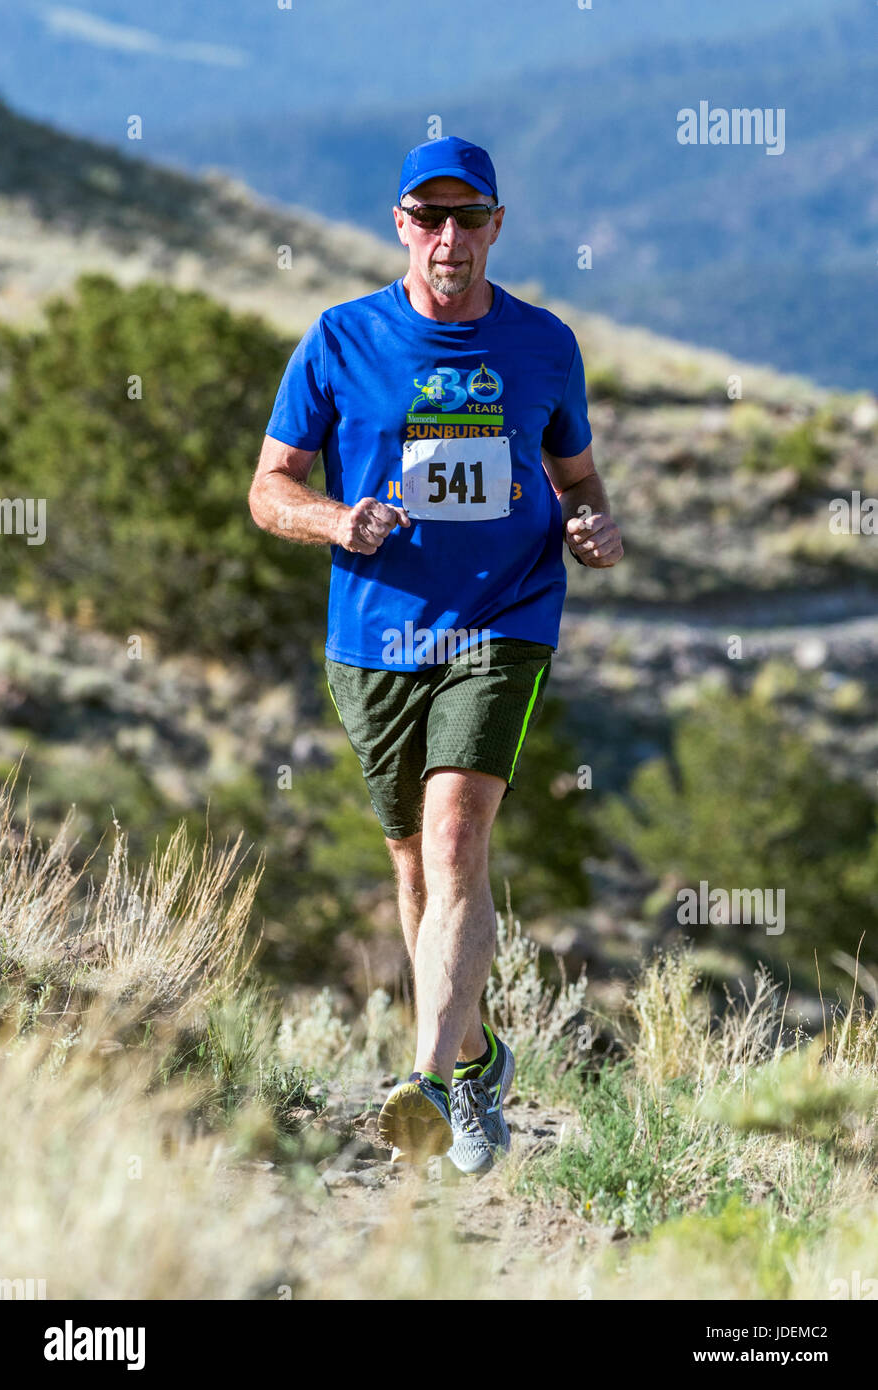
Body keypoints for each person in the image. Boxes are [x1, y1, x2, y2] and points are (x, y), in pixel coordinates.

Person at [249, 136, 623, 1171]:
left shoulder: (544, 345)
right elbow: (267, 486)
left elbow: (580, 481)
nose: (449, 238)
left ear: (497, 226)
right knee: (414, 873)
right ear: (400, 225)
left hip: (502, 619)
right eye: (430, 217)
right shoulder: (338, 340)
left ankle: (423, 1080)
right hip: (373, 640)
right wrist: (333, 522)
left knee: (456, 836)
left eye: (469, 217)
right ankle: (476, 1059)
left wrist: (594, 527)